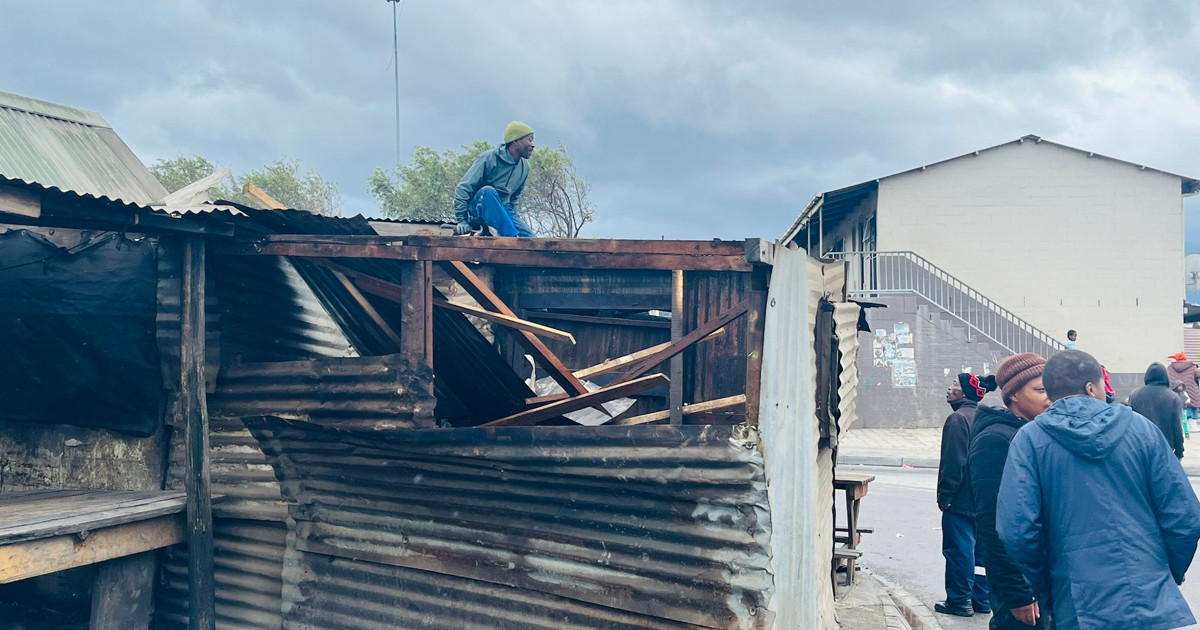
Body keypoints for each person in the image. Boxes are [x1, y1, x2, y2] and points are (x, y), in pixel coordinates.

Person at [997, 350, 1200, 630]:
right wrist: (1164, 570)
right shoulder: (1141, 430)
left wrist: (1047, 585)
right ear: (1091, 388)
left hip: (1079, 602)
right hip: (1149, 594)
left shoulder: (1030, 441)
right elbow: (1185, 517)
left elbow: (1017, 531)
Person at [969, 353, 1051, 629]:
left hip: (1043, 581)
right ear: (1013, 395)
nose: (1049, 398)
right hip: (1021, 590)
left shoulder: (1033, 433)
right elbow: (992, 524)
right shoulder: (995, 440)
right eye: (1040, 390)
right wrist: (1018, 593)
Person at [935, 373, 995, 617]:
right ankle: (981, 600)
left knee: (959, 551)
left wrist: (945, 498)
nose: (950, 388)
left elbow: (954, 462)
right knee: (980, 554)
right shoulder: (983, 417)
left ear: (965, 393)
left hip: (960, 499)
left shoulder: (957, 420)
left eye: (955, 385)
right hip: (981, 500)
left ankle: (959, 600)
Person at [453, 121, 536, 237]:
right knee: (488, 191)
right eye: (530, 140)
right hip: (479, 210)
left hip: (504, 211)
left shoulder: (524, 167)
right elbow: (464, 187)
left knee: (530, 240)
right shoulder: (489, 158)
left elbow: (514, 199)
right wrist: (462, 219)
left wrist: (514, 221)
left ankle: (513, 236)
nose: (533, 145)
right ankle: (511, 237)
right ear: (516, 141)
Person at [1130, 363, 1185, 460]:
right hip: (1165, 450)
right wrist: (1179, 452)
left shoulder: (1135, 395)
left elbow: (1130, 423)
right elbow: (1177, 427)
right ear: (1166, 377)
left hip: (1140, 449)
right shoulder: (1173, 397)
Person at [1168, 352, 1200, 428]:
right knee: (1191, 414)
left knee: (1179, 414)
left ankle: (1181, 427)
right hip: (1191, 395)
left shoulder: (1170, 368)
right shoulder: (1192, 367)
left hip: (1175, 395)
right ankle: (1193, 427)